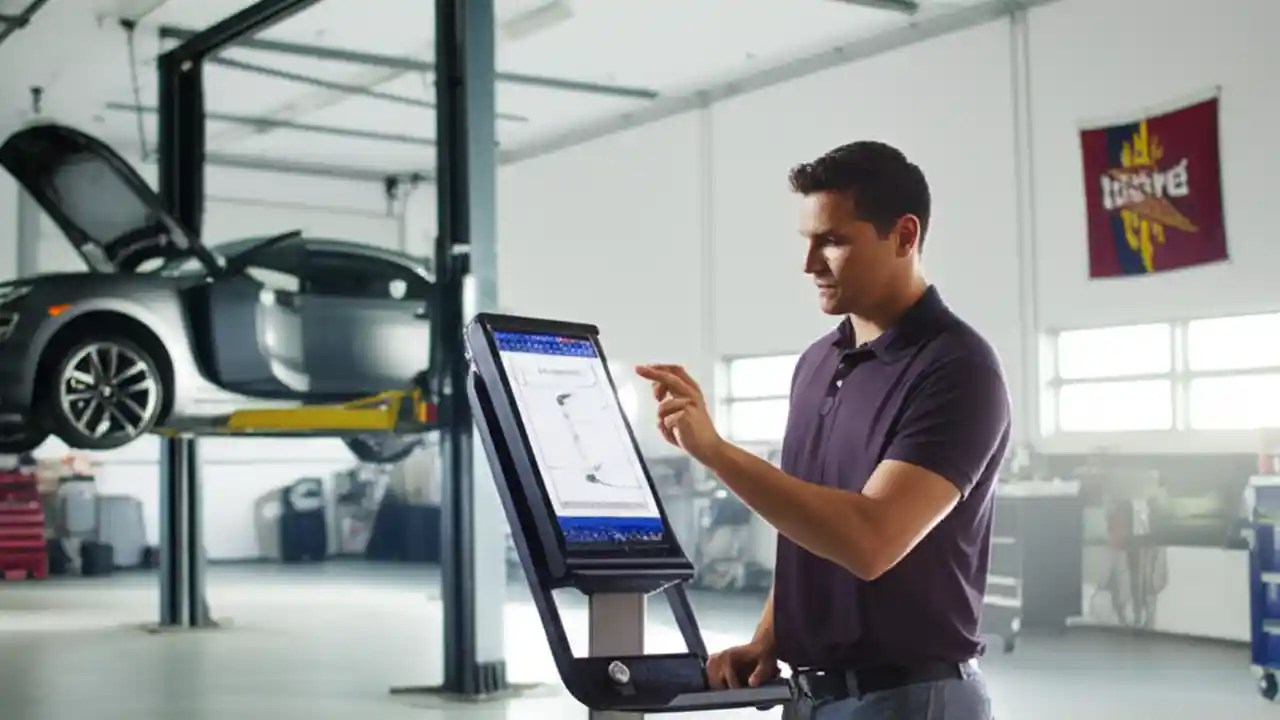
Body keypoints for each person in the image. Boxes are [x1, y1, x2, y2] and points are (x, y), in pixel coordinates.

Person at [636, 140, 1010, 719]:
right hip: (810, 697)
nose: (809, 263)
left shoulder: (957, 368)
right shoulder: (817, 364)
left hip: (911, 700)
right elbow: (811, 526)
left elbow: (869, 540)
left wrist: (715, 453)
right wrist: (769, 635)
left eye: (832, 241)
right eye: (807, 241)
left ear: (905, 236)